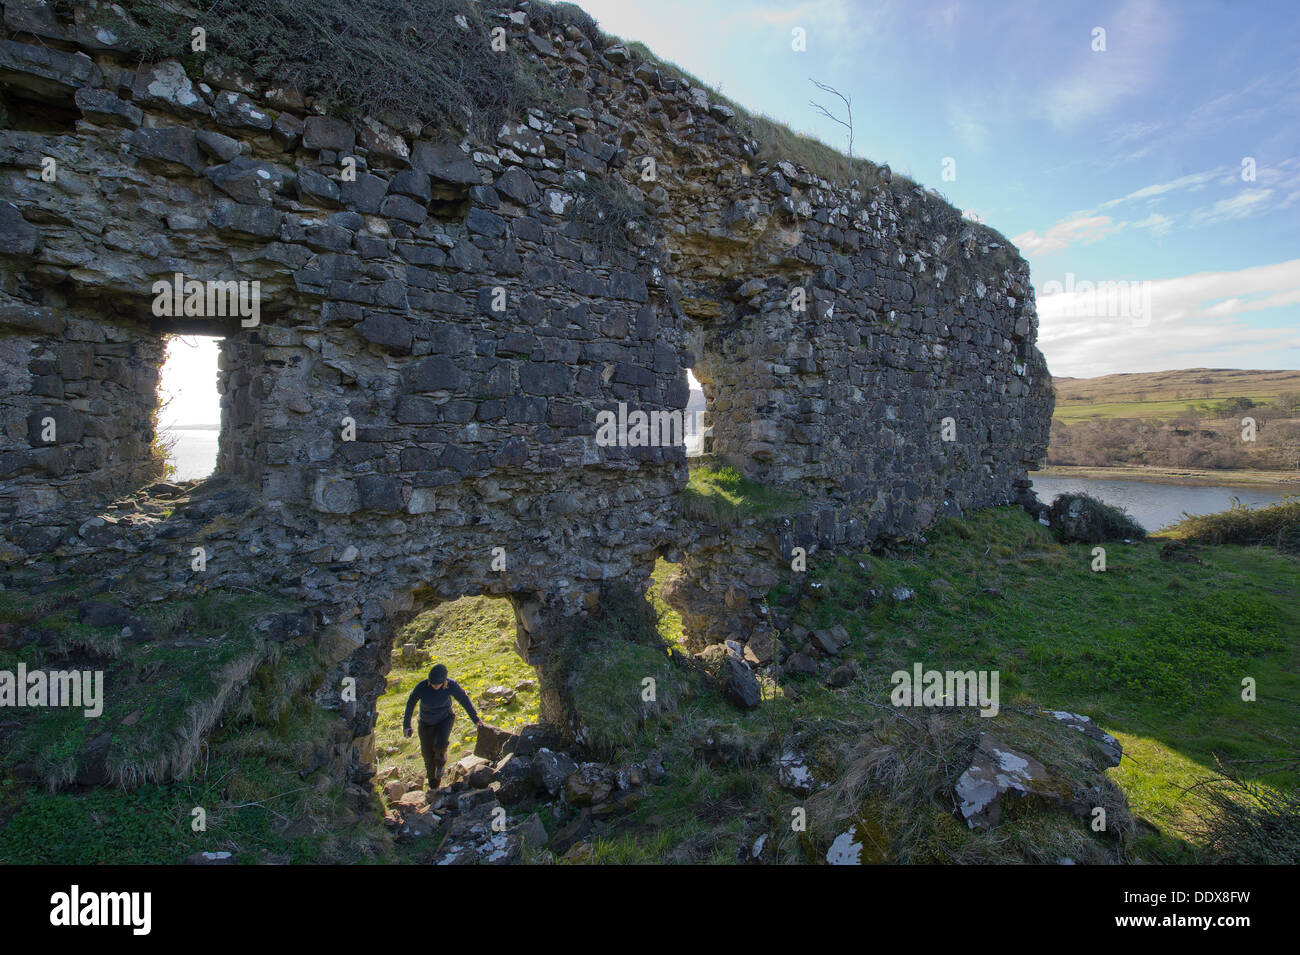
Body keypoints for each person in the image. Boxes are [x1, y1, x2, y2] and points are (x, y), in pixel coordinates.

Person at [403, 663, 484, 791]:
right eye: (433, 683)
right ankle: (433, 784)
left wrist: (476, 719)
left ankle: (440, 765)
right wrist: (407, 725)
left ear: (444, 681)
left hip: (444, 719)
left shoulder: (451, 685)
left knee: (440, 747)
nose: (435, 686)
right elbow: (410, 703)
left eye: (438, 684)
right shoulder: (422, 687)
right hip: (425, 723)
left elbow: (464, 700)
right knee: (428, 755)